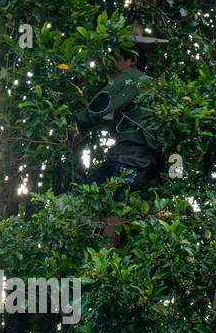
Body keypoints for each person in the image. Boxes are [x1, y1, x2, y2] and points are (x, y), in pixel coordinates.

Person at [71, 31, 168, 242]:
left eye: (116, 58)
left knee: (115, 205)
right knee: (89, 193)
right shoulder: (150, 89)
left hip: (134, 153)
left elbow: (102, 103)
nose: (111, 65)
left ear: (132, 60)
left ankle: (106, 264)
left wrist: (76, 125)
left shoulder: (134, 77)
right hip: (138, 157)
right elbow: (110, 117)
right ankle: (97, 248)